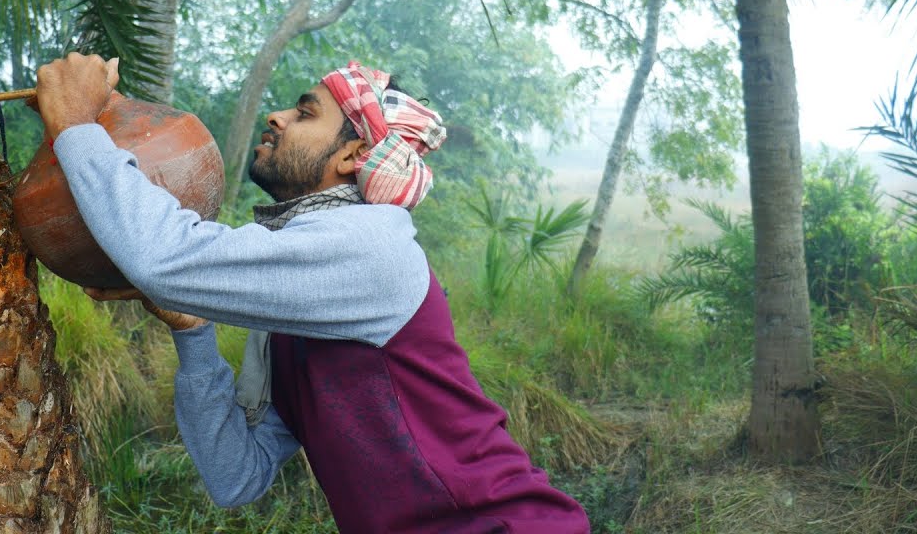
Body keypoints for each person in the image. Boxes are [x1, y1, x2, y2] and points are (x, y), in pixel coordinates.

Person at [36, 53, 590, 534]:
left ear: (352, 157)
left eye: (305, 113)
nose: (277, 116)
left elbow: (163, 259)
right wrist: (193, 333)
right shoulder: (300, 311)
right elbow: (237, 477)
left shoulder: (371, 246)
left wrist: (76, 127)